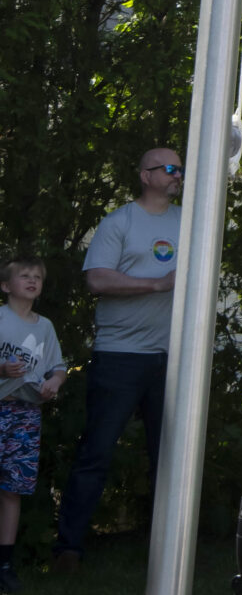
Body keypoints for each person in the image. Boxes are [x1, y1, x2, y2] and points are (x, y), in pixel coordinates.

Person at [53, 146, 182, 568]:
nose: (177, 173)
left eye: (179, 168)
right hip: (120, 356)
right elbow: (96, 279)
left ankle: (169, 554)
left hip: (175, 358)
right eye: (168, 168)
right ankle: (69, 547)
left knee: (171, 459)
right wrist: (156, 285)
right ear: (145, 176)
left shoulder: (190, 222)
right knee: (97, 453)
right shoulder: (120, 222)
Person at [0, 256, 68, 594]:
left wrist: (55, 382)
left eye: (37, 277)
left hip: (26, 414)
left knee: (13, 489)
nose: (31, 281)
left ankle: (5, 565)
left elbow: (58, 367)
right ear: (5, 285)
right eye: (24, 275)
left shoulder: (45, 327)